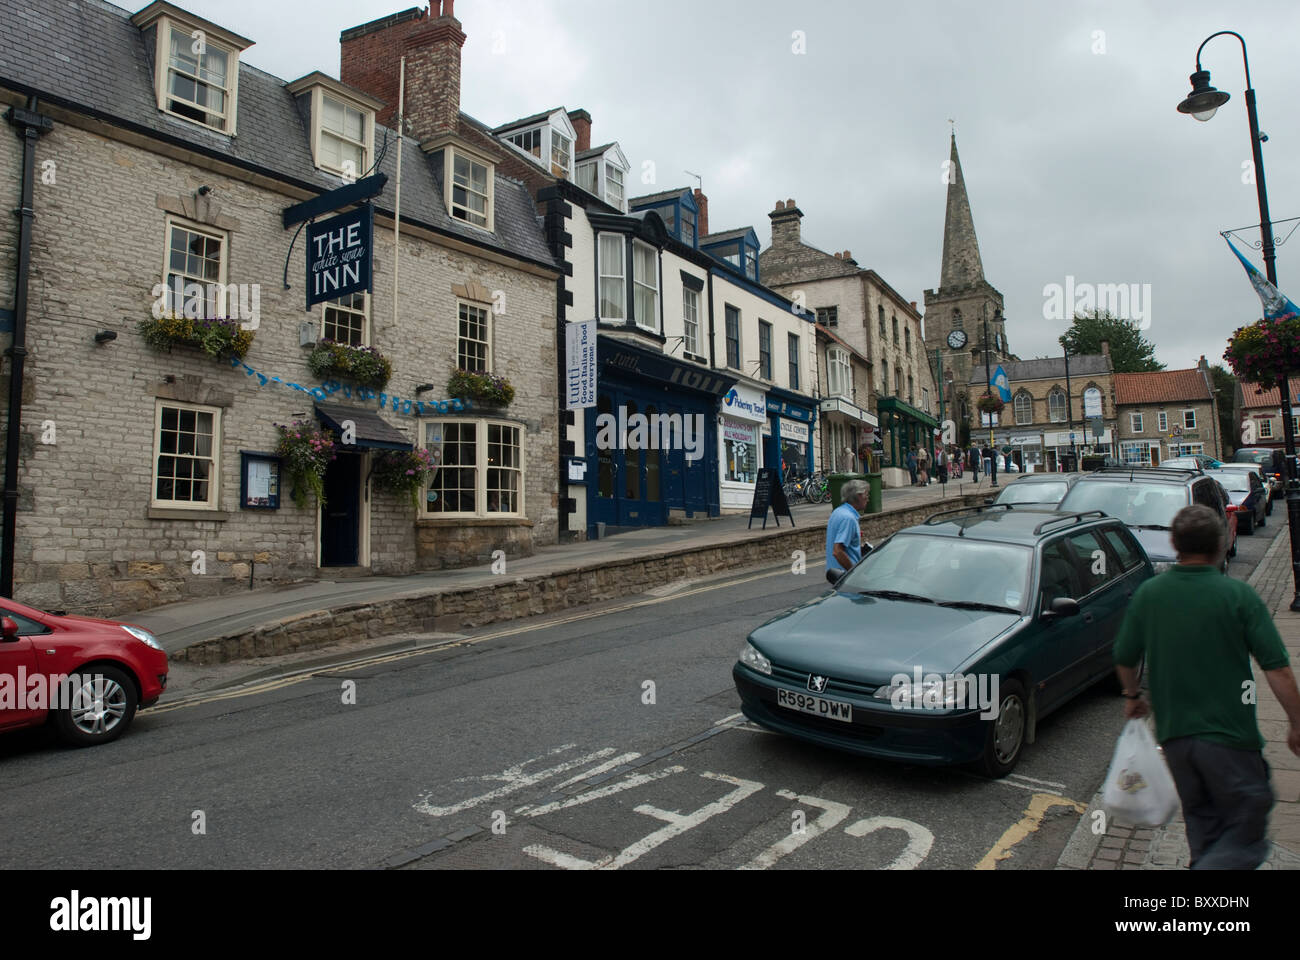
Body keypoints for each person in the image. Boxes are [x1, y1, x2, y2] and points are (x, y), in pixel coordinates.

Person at [1114, 505, 1300, 870]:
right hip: (1230, 737)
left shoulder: (1151, 594)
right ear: (1220, 544)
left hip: (1177, 739)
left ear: (1175, 544)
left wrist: (1133, 697)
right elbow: (1278, 670)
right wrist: (1296, 721)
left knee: (1202, 826)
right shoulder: (1238, 596)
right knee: (1246, 829)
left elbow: (1124, 656)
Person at [825, 479, 871, 585]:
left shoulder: (838, 512)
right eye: (866, 495)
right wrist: (854, 573)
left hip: (835, 576)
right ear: (858, 496)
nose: (867, 499)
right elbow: (837, 551)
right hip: (845, 578)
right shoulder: (848, 518)